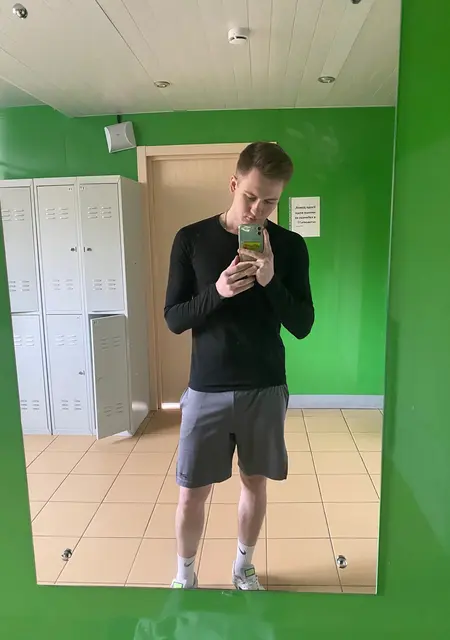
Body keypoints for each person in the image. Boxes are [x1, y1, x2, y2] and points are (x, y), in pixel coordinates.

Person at [164, 141, 314, 590]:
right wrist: (218, 292)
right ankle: (184, 575)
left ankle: (243, 566)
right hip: (206, 387)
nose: (257, 210)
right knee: (191, 493)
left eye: (269, 201)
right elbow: (174, 319)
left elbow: (303, 325)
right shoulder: (191, 239)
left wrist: (269, 280)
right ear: (233, 184)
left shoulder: (290, 246)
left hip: (264, 386)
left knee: (255, 485)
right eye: (250, 196)